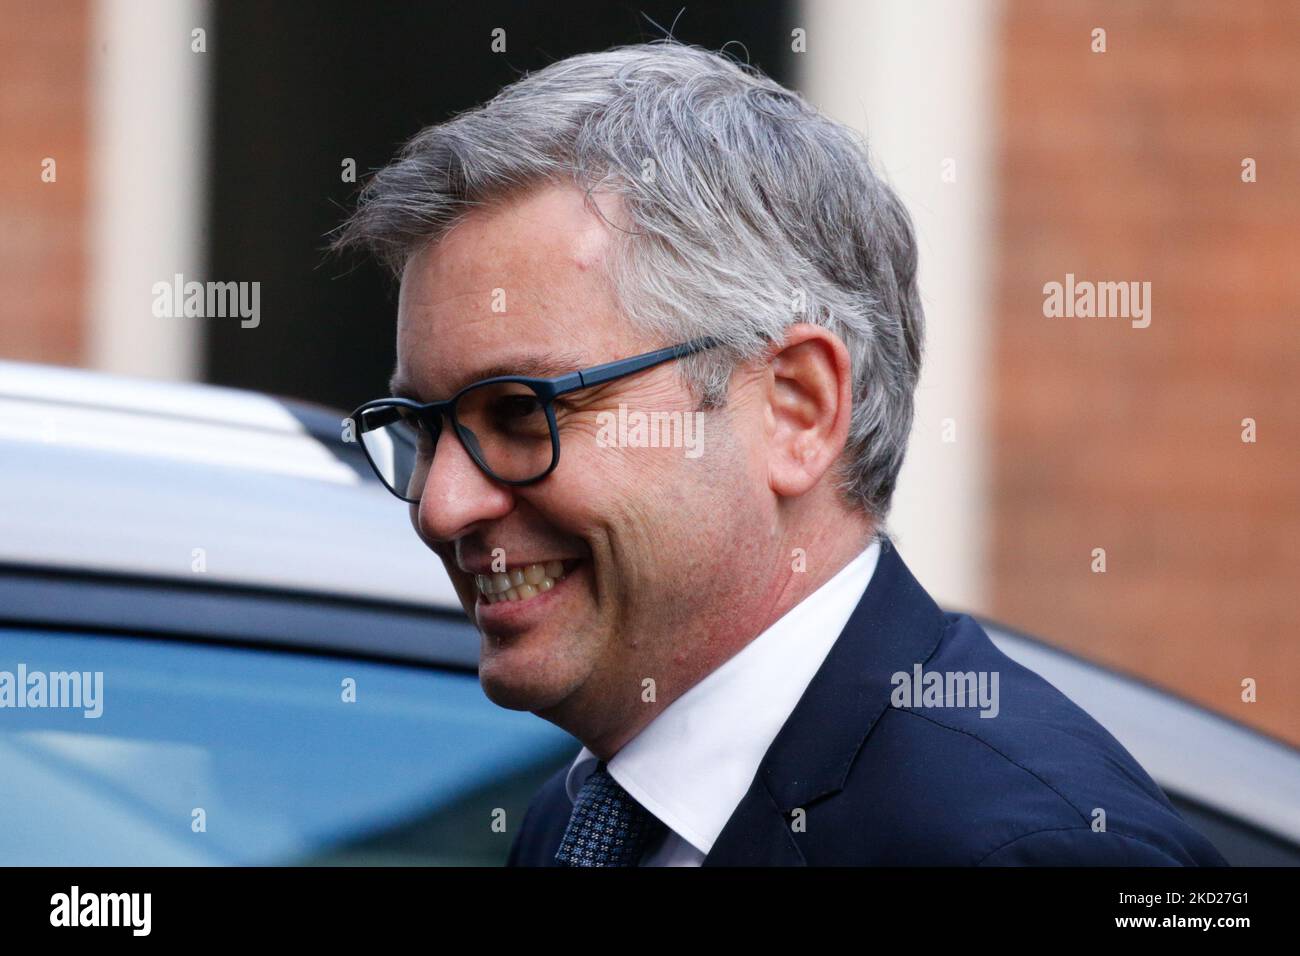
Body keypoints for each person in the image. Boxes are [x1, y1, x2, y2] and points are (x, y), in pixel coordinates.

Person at [333, 41, 1226, 866]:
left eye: (522, 413)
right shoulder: (580, 821)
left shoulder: (1028, 849)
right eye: (423, 426)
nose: (444, 505)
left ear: (798, 409)